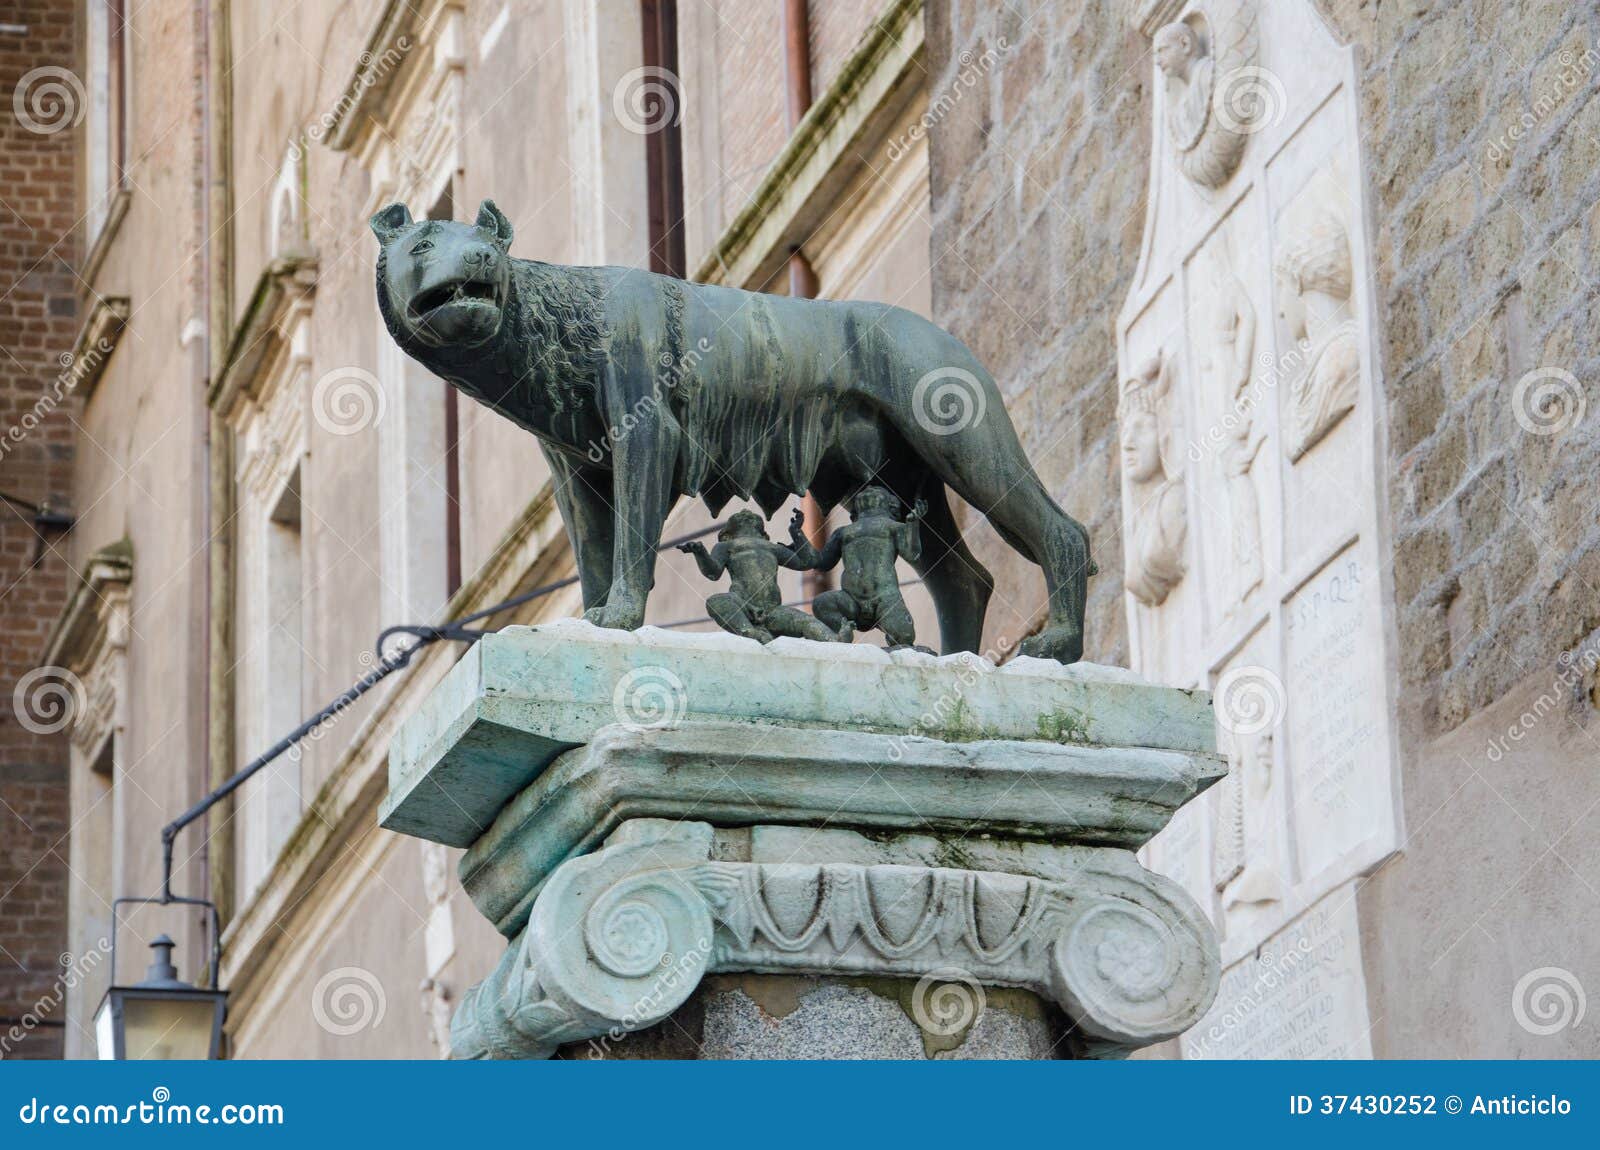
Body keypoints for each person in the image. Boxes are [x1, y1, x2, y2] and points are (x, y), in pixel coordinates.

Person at [678, 509, 844, 643]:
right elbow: (713, 573)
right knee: (716, 602)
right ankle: (750, 632)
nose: (745, 511)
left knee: (807, 621)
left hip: (773, 611)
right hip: (742, 605)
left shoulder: (771, 547)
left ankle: (834, 639)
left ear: (764, 535)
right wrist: (700, 553)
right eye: (741, 515)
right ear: (727, 534)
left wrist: (796, 532)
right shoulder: (726, 546)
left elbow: (808, 562)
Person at [792, 486, 926, 650]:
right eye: (865, 492)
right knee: (822, 603)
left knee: (904, 637)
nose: (869, 492)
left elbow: (912, 554)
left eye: (877, 491)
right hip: (850, 601)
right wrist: (798, 535)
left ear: (890, 504)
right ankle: (839, 639)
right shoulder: (843, 532)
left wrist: (913, 524)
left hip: (884, 599)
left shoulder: (894, 527)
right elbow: (822, 562)